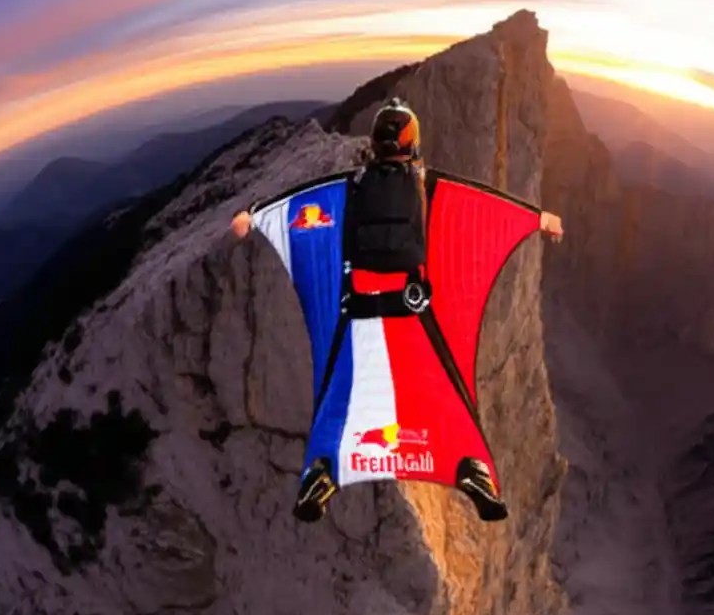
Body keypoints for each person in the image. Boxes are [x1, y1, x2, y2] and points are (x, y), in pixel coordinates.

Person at [232, 98, 563, 522]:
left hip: (356, 314)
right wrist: (539, 220)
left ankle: (323, 470)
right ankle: (470, 467)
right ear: (414, 145)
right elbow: (481, 210)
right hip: (416, 316)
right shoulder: (430, 189)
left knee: (337, 396)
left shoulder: (347, 189)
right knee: (448, 395)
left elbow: (298, 207)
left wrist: (252, 217)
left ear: (374, 144)